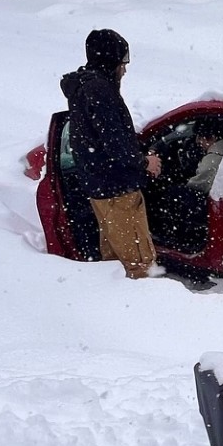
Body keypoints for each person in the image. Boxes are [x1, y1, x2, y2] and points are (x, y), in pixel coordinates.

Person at [59, 29, 163, 278]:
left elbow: (101, 138)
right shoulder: (100, 91)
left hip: (100, 189)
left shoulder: (83, 88)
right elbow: (115, 144)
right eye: (122, 62)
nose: (125, 69)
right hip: (118, 190)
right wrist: (144, 161)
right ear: (110, 60)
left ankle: (117, 304)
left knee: (114, 260)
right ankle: (145, 307)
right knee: (138, 261)